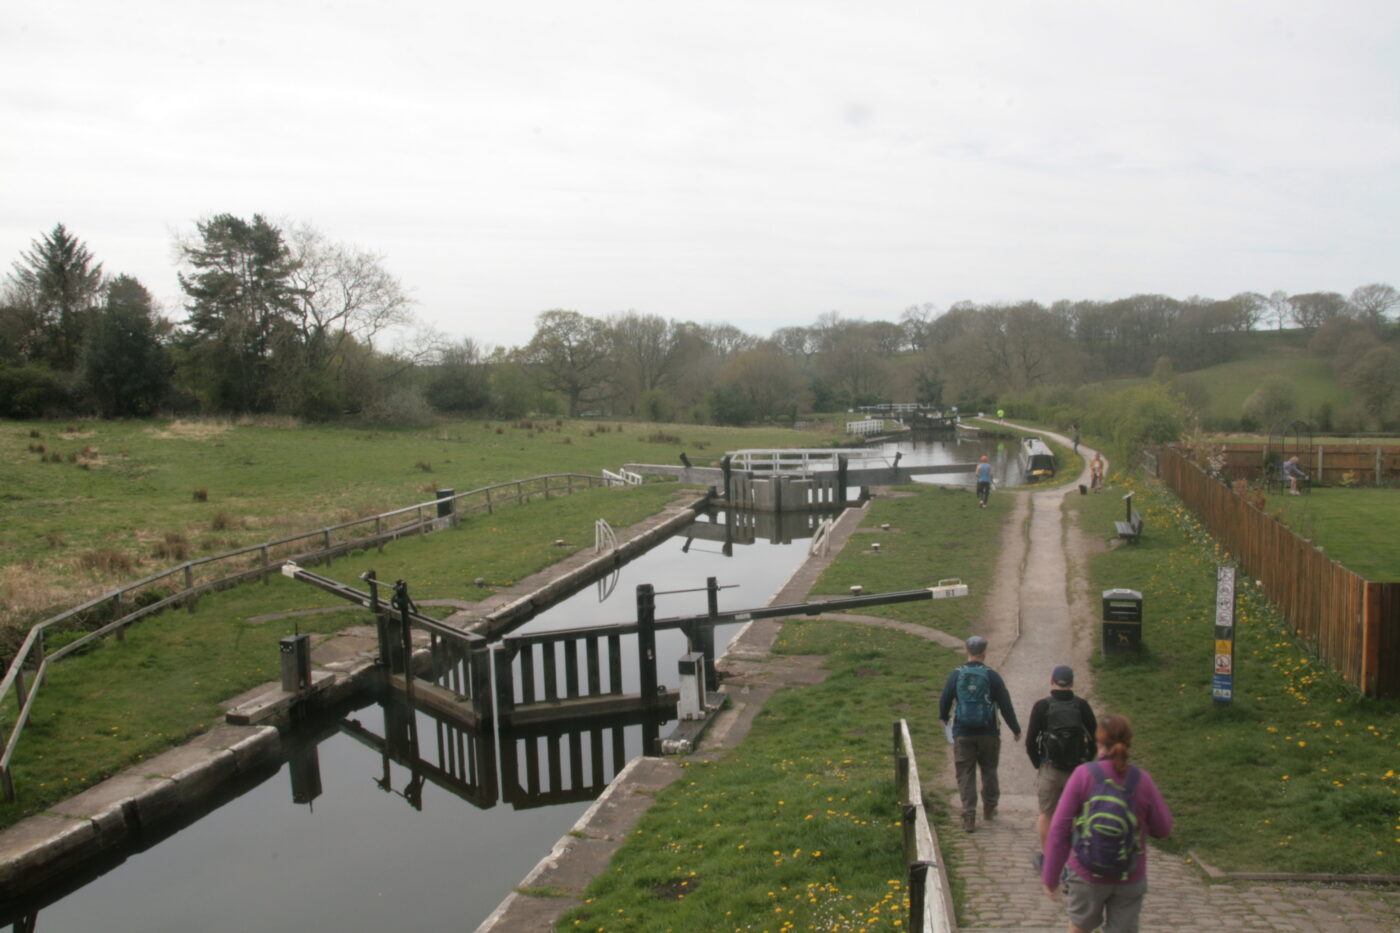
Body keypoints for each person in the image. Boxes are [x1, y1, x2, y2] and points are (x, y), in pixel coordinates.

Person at [1042, 714, 1172, 933]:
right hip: (1129, 873)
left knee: (1079, 927)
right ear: (1129, 742)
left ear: (1097, 742)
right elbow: (1164, 828)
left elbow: (1060, 828)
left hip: (1086, 874)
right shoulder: (1142, 780)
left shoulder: (1083, 775)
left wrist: (1050, 876)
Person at [939, 635, 1021, 832]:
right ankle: (990, 809)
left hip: (963, 732)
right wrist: (1015, 729)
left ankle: (969, 815)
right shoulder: (992, 676)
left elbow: (945, 700)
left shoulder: (956, 675)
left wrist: (944, 718)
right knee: (989, 770)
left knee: (965, 772)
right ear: (984, 653)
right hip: (989, 732)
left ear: (967, 652)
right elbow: (1005, 705)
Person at [1024, 665, 1096, 871]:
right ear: (1072, 683)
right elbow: (1095, 738)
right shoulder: (1081, 706)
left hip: (1050, 768)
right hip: (1077, 771)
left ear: (1051, 681)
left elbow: (1030, 742)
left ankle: (1048, 859)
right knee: (1077, 816)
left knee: (1046, 814)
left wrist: (1039, 763)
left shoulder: (1042, 706)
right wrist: (1087, 761)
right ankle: (1076, 860)